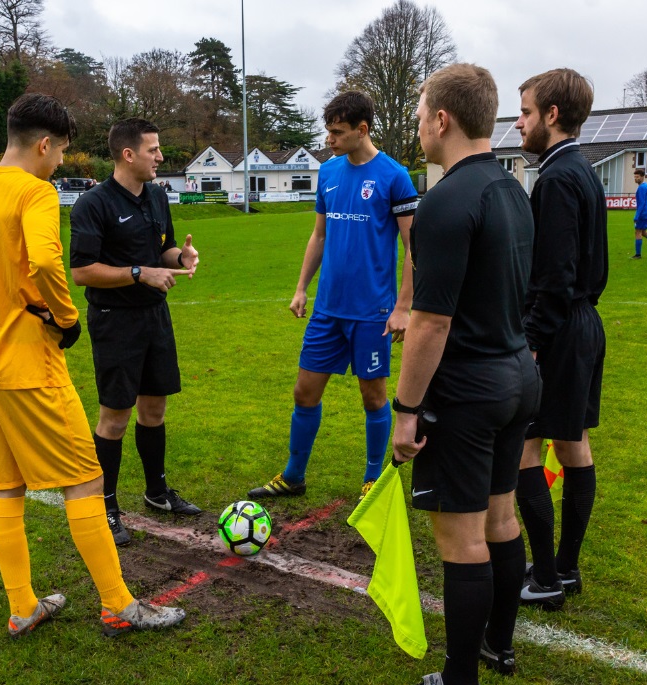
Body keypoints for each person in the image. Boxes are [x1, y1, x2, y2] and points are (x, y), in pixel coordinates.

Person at [0, 94, 185, 639]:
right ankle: (119, 604)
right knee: (85, 479)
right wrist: (64, 316)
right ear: (43, 144)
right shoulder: (35, 192)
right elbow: (46, 260)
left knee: (5, 489)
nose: (60, 163)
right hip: (27, 364)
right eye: (61, 153)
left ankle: (23, 606)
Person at [392, 64, 540, 685]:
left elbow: (430, 323)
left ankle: (459, 676)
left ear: (443, 119)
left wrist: (404, 412)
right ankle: (497, 648)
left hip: (469, 391)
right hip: (515, 377)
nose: (419, 125)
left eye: (422, 114)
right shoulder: (512, 189)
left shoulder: (446, 200)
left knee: (462, 540)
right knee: (500, 518)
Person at [246, 90, 418, 502]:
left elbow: (415, 248)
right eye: (328, 130)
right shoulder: (330, 173)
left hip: (373, 312)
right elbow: (320, 234)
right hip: (328, 310)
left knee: (373, 395)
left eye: (338, 131)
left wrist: (402, 308)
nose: (329, 138)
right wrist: (302, 287)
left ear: (363, 129)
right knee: (304, 392)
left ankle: (373, 480)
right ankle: (293, 476)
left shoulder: (395, 176)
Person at [70, 118, 202, 547]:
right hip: (115, 321)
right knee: (115, 416)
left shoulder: (158, 196)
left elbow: (159, 251)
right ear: (128, 155)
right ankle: (105, 505)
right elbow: (82, 271)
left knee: (155, 410)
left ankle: (157, 491)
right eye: (153, 150)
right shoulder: (93, 204)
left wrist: (180, 258)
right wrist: (137, 273)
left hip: (154, 317)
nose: (160, 157)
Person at [512, 68, 608, 611]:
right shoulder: (582, 169)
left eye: (525, 112)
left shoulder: (556, 178)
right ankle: (565, 570)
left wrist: (527, 345)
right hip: (582, 324)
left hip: (559, 329)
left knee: (528, 447)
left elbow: (553, 276)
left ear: (551, 115)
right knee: (572, 445)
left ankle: (547, 575)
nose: (519, 123)